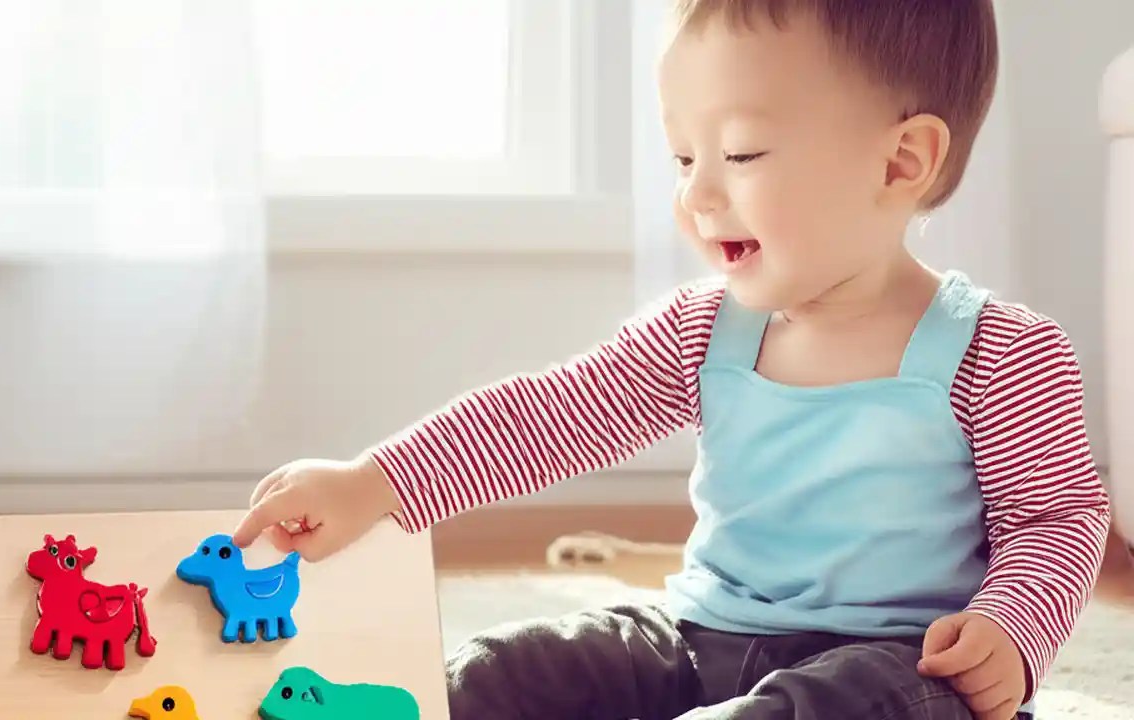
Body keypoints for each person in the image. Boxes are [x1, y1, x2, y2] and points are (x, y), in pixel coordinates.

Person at [232, 1, 1112, 718]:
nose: (696, 192)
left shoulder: (999, 352)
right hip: (698, 637)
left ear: (901, 160)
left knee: (843, 706)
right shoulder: (704, 330)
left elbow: (1058, 521)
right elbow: (544, 418)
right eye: (684, 156)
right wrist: (374, 484)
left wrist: (1012, 630)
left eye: (739, 154)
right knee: (520, 667)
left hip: (894, 665)